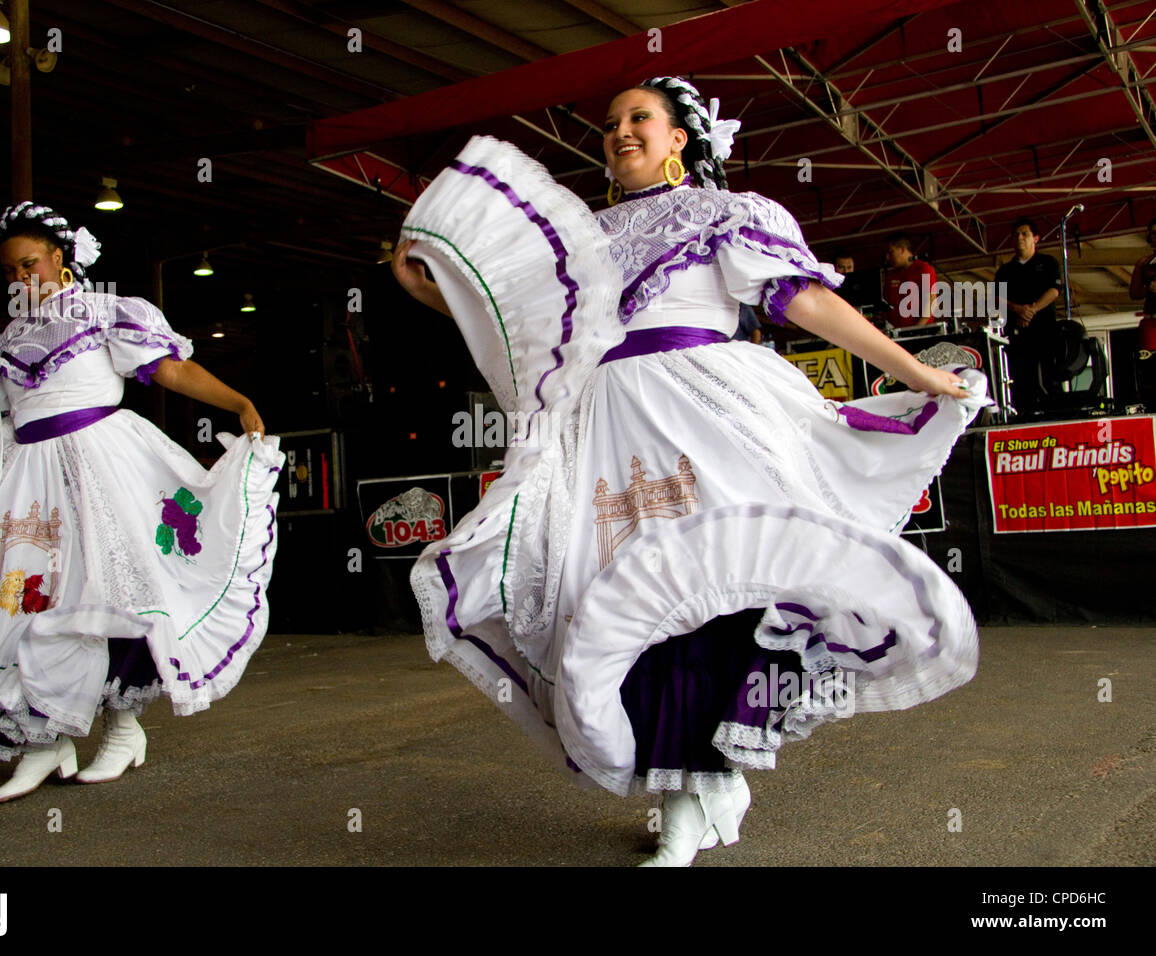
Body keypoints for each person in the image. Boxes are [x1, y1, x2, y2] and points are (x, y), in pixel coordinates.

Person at [392, 76, 986, 866]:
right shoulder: (581, 238)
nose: (620, 131)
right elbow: (526, 338)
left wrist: (915, 372)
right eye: (609, 122)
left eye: (640, 118)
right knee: (611, 603)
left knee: (717, 594)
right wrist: (434, 294)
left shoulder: (725, 213)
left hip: (703, 409)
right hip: (602, 428)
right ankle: (695, 786)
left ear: (681, 138)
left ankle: (699, 784)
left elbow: (803, 301)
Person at [0, 202, 283, 802]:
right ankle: (44, 739)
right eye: (9, 271)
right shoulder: (0, 343)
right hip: (27, 478)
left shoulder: (105, 312)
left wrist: (238, 402)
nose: (19, 279)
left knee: (114, 590)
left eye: (28, 264)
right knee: (15, 602)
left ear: (58, 258)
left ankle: (122, 727)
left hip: (101, 464)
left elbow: (168, 370)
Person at [995, 218, 1062, 413]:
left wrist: (1032, 309)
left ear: (1036, 238)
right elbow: (996, 297)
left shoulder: (1048, 262)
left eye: (1025, 234)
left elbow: (1055, 289)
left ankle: (1055, 415)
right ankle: (1023, 415)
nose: (1020, 238)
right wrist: (1018, 309)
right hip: (1016, 332)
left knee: (1050, 375)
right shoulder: (1005, 271)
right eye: (1016, 235)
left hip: (1045, 328)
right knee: (1020, 377)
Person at [882, 234, 937, 327]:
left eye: (891, 252)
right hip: (896, 334)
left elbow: (930, 303)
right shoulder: (890, 276)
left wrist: (917, 329)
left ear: (902, 250)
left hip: (921, 332)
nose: (887, 257)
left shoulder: (923, 269)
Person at [1129, 218, 1156, 352]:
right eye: (1153, 233)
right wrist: (1148, 289)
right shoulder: (1144, 263)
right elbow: (1134, 293)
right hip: (1151, 323)